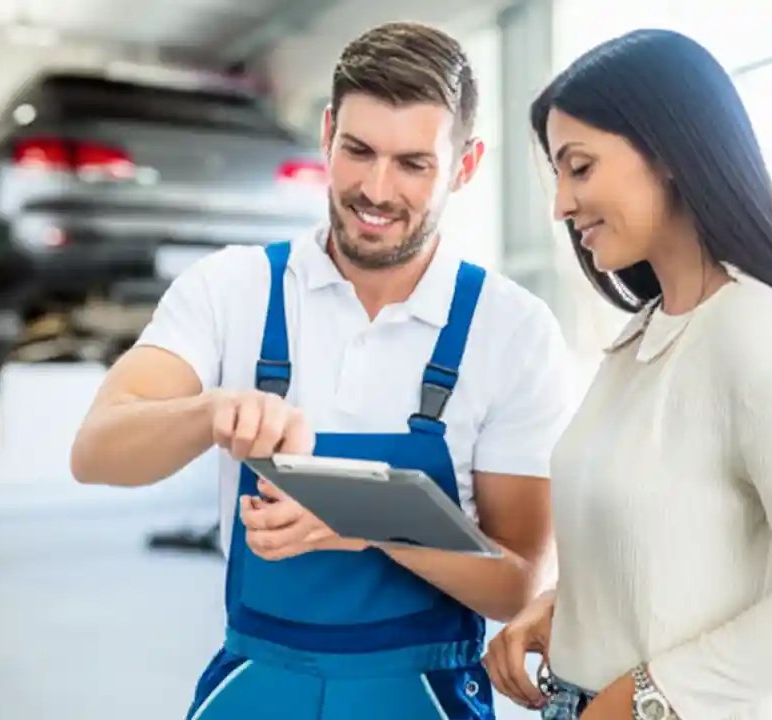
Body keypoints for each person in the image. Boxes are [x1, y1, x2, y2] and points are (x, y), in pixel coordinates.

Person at [70, 21, 577, 720]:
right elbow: (96, 451)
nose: (375, 189)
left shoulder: (513, 330)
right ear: (327, 133)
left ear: (465, 165)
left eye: (413, 164)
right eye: (358, 151)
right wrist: (209, 412)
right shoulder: (233, 288)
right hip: (255, 688)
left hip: (422, 699)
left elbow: (518, 583)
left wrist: (365, 523)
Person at [481, 29, 772, 720]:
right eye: (558, 174)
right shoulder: (639, 339)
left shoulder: (760, 334)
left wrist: (645, 697)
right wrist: (565, 609)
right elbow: (672, 550)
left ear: (668, 153)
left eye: (580, 168)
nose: (561, 205)